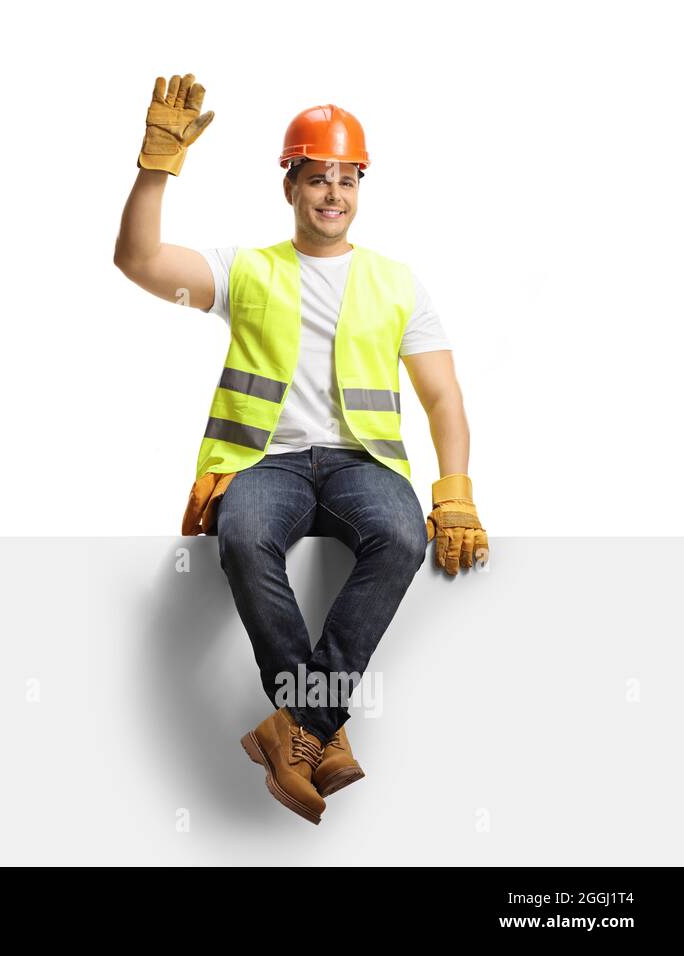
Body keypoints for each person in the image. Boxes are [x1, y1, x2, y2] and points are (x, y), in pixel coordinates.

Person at [113, 75, 489, 825]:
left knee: (399, 535)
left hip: (363, 464)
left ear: (361, 188)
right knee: (245, 536)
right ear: (290, 184)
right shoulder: (245, 269)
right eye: (318, 178)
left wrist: (455, 489)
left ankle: (298, 727)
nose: (333, 194)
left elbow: (443, 396)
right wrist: (156, 166)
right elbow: (139, 259)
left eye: (347, 180)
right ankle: (323, 727)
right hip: (264, 463)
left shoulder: (396, 282)